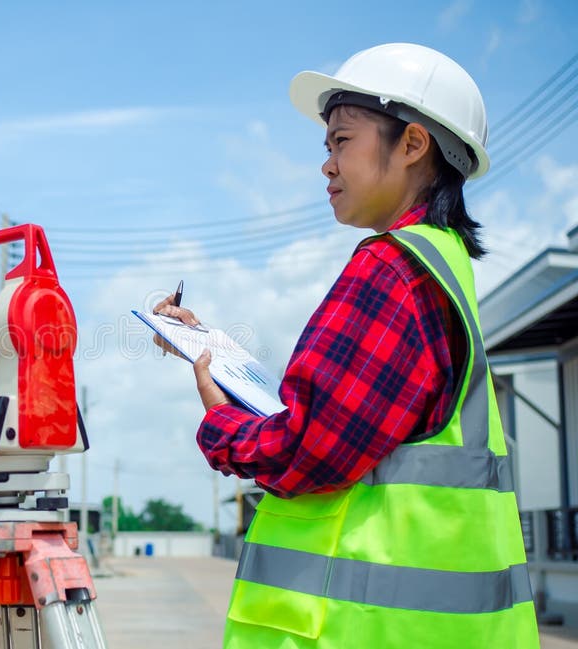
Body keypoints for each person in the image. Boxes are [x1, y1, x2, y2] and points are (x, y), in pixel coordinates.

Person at [153, 43, 540, 648]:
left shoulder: (391, 269)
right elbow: (353, 419)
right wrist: (212, 353)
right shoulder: (445, 265)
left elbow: (312, 449)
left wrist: (222, 422)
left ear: (412, 145)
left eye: (342, 142)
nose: (327, 165)